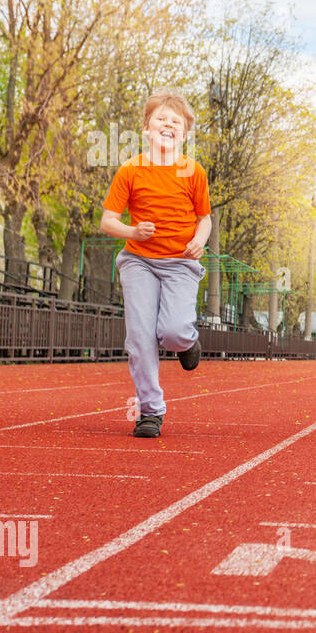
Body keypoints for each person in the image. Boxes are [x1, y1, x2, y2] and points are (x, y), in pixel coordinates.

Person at [99, 89, 212, 438]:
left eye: (175, 121)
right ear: (147, 128)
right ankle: (150, 411)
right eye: (161, 119)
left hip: (180, 262)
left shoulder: (193, 172)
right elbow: (107, 221)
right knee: (140, 337)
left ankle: (187, 341)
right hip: (139, 261)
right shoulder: (131, 170)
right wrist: (133, 230)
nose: (168, 124)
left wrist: (199, 240)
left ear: (185, 133)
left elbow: (204, 218)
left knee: (173, 332)